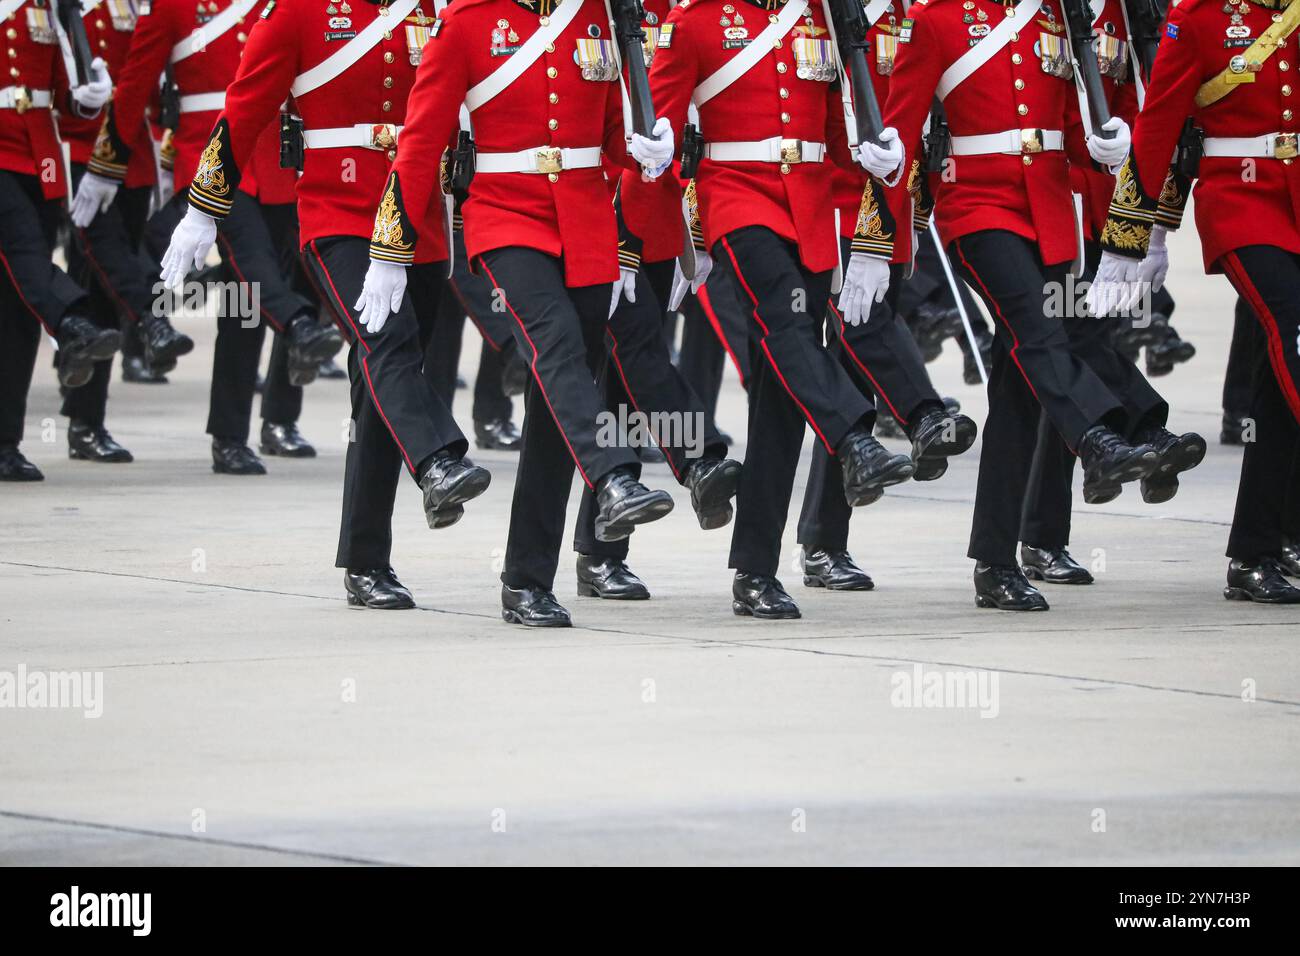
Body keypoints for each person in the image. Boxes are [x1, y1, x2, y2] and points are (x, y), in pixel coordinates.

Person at [156, 0, 492, 608]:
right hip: (339, 212)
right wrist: (204, 208)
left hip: (419, 219)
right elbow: (245, 105)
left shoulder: (436, 11)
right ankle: (440, 462)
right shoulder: (300, 11)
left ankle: (366, 563)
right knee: (388, 346)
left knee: (383, 386)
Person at [355, 0, 679, 627]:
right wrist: (391, 248)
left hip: (585, 221)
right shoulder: (469, 21)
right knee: (554, 342)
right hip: (505, 214)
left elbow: (612, 136)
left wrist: (649, 147)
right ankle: (612, 477)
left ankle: (527, 580)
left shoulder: (598, 17)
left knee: (561, 399)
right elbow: (422, 137)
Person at [877, 0, 1168, 611]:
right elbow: (899, 137)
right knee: (1038, 329)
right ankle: (1097, 436)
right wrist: (875, 243)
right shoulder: (936, 20)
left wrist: (1106, 150)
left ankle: (994, 560)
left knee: (1016, 392)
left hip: (1048, 210)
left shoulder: (1056, 17)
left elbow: (1072, 121)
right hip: (975, 206)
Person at [640, 0, 921, 620]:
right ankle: (853, 437)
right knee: (788, 323)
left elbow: (834, 126)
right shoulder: (694, 21)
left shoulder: (820, 15)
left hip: (811, 207)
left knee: (779, 398)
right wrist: (667, 239)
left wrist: (876, 159)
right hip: (737, 196)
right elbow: (655, 142)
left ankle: (754, 572)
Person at [72, 0, 343, 475]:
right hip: (211, 159)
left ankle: (264, 424)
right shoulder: (174, 7)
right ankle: (235, 428)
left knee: (252, 295)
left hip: (279, 158)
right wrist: (107, 164)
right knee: (253, 269)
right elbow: (137, 82)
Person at [1090, 0, 1300, 603]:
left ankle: (1264, 545)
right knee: (1292, 332)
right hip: (1242, 198)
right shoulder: (1200, 15)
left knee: (1274, 376)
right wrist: (1132, 236)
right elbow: (1161, 123)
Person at [1018, 0, 1205, 586]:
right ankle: (1140, 431)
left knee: (1065, 358)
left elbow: (1146, 107)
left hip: (1102, 208)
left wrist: (1141, 209)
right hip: (1031, 203)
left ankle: (1047, 532)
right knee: (1065, 345)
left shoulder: (1134, 11)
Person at [0, 4, 125, 482]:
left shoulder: (44, 7)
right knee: (26, 248)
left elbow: (58, 92)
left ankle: (6, 444)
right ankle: (71, 319)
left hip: (37, 153)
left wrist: (88, 100)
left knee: (15, 306)